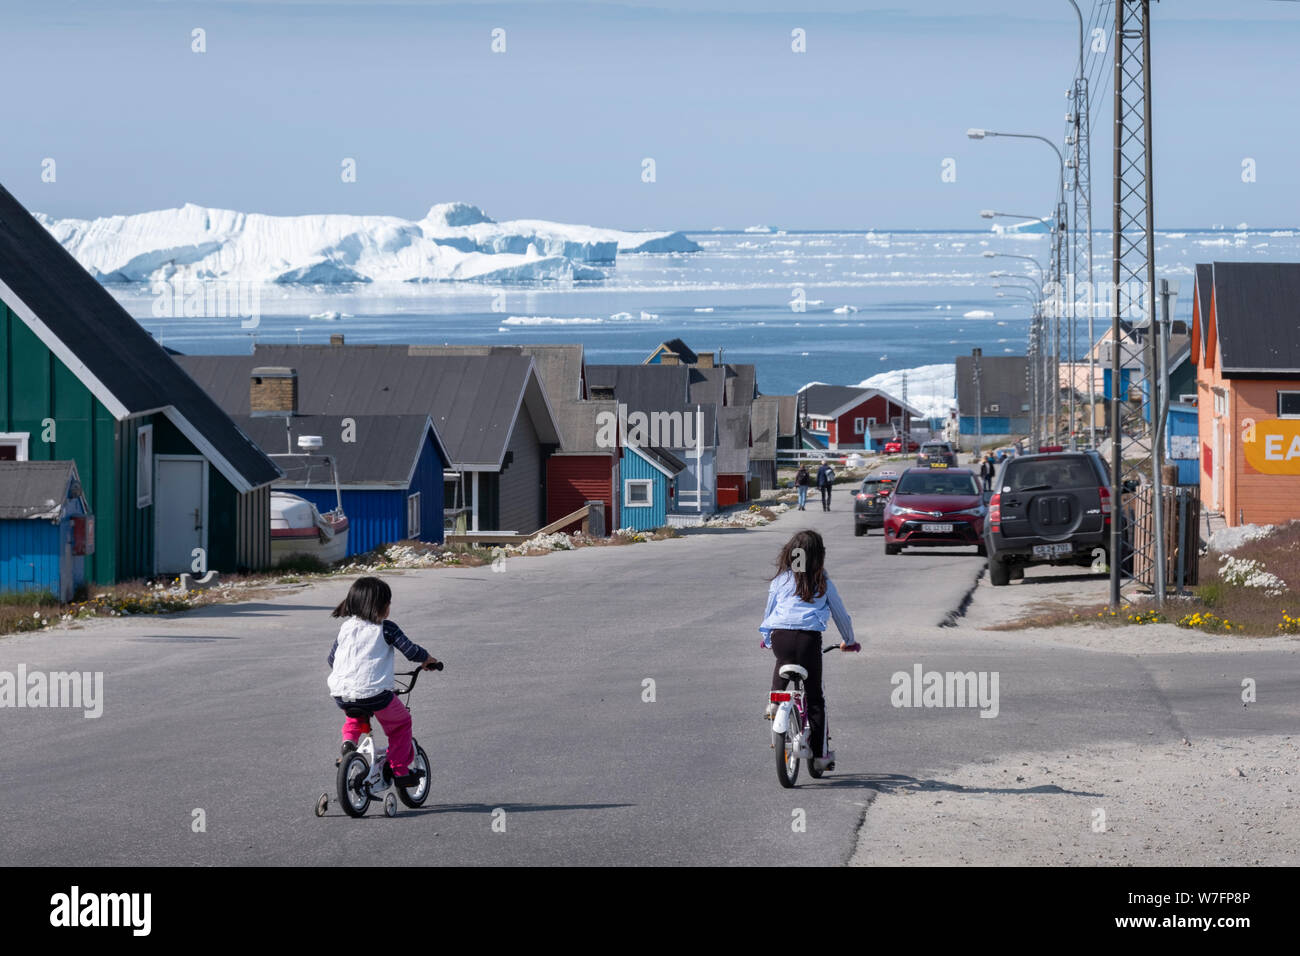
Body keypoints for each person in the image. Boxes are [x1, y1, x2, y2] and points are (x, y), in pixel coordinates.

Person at [759, 529, 859, 772]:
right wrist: (850, 640)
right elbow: (840, 615)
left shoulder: (780, 580)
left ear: (791, 553)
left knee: (782, 661)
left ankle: (775, 700)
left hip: (780, 635)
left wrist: (766, 637)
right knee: (815, 698)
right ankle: (819, 757)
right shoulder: (822, 581)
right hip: (808, 640)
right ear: (819, 556)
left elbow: (769, 612)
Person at [327, 576, 440, 787]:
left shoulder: (346, 628)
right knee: (401, 724)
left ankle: (349, 744)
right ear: (379, 606)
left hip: (341, 692)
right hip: (375, 694)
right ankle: (399, 770)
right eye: (388, 602)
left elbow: (332, 659)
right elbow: (411, 650)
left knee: (355, 713)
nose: (389, 607)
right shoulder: (386, 628)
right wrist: (428, 660)